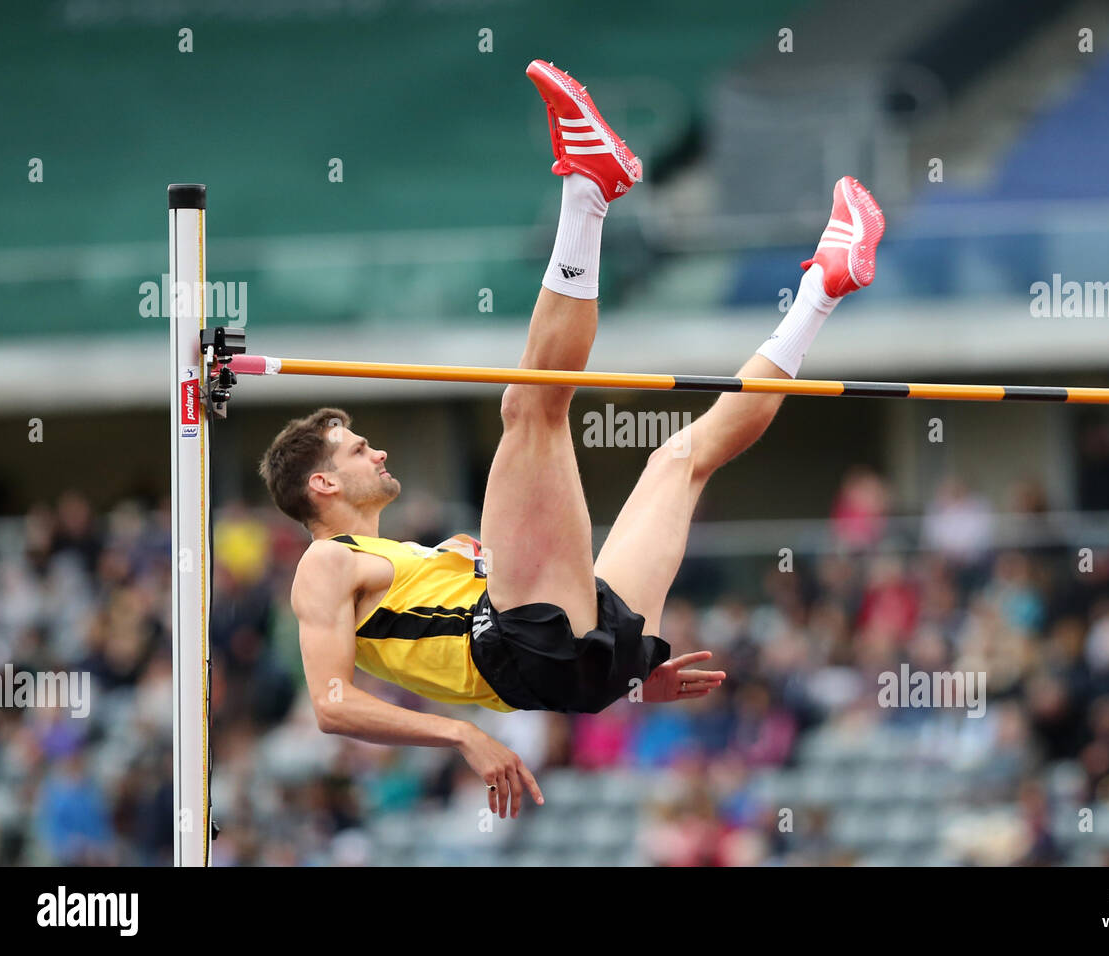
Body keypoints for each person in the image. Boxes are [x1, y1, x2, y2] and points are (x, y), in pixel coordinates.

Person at [258, 59, 885, 819]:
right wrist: (464, 736)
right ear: (321, 486)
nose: (377, 451)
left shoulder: (426, 558)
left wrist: (627, 677)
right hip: (533, 648)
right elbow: (330, 703)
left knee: (682, 459)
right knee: (530, 409)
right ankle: (588, 191)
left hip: (589, 660)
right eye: (356, 450)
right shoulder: (326, 563)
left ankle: (824, 285)